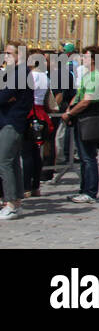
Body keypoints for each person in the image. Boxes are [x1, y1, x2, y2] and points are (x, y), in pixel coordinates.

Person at [61, 45, 99, 204]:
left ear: (94, 60)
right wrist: (69, 109)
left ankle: (90, 192)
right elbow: (78, 96)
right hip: (81, 119)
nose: (82, 59)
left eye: (86, 56)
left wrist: (70, 113)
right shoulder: (88, 75)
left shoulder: (95, 77)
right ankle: (84, 189)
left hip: (89, 119)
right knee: (83, 156)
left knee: (88, 157)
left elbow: (87, 100)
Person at [0, 41, 34, 219]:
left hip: (12, 121)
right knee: (12, 162)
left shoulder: (20, 73)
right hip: (12, 120)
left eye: (8, 53)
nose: (5, 56)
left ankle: (11, 203)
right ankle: (17, 201)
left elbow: (5, 95)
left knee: (4, 162)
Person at [23, 52, 57, 198]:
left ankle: (26, 187)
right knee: (36, 152)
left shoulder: (33, 76)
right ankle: (35, 185)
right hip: (41, 111)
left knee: (26, 153)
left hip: (31, 111)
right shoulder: (45, 76)